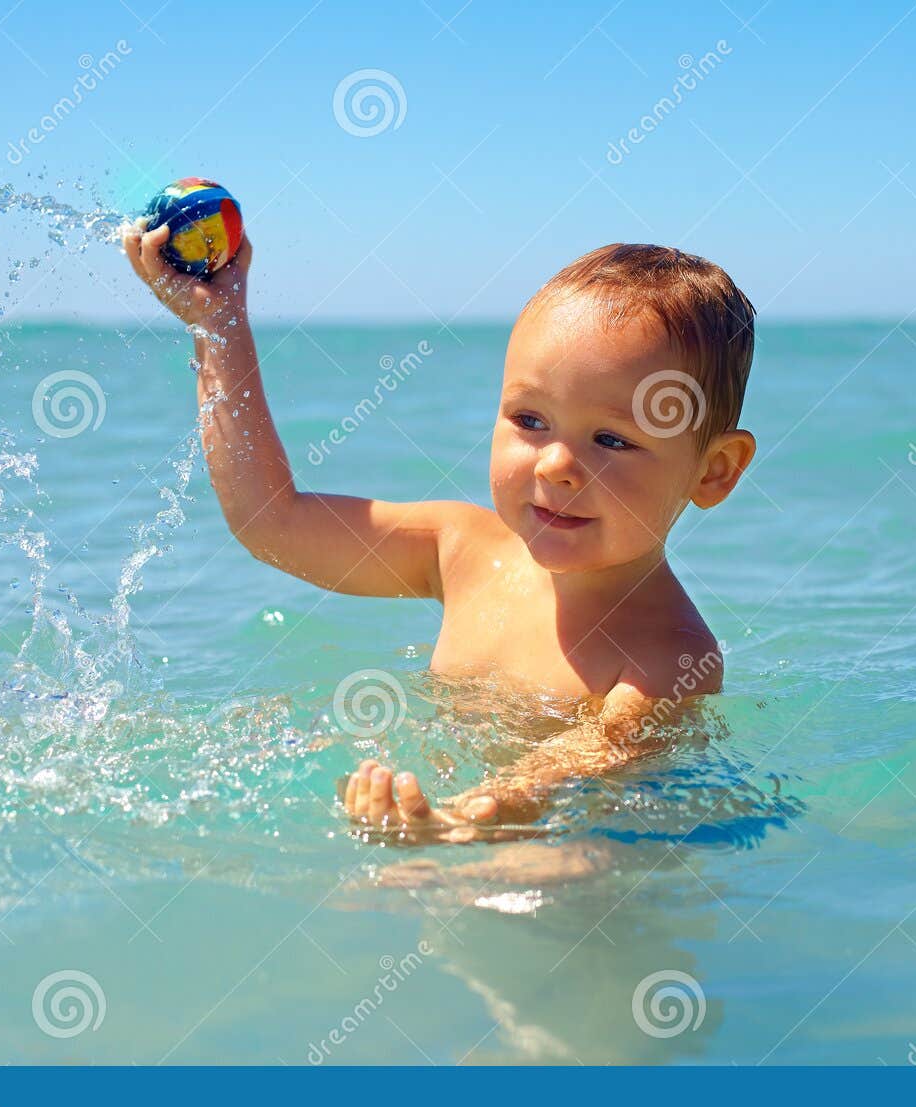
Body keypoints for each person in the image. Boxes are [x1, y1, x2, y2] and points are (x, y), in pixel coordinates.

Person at [122, 226, 757, 845]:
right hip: (465, 816)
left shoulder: (668, 657)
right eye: (530, 420)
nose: (555, 465)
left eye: (612, 439)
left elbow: (576, 767)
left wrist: (454, 823)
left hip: (598, 848)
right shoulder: (461, 551)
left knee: (551, 871)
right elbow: (271, 522)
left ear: (714, 471)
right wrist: (218, 324)